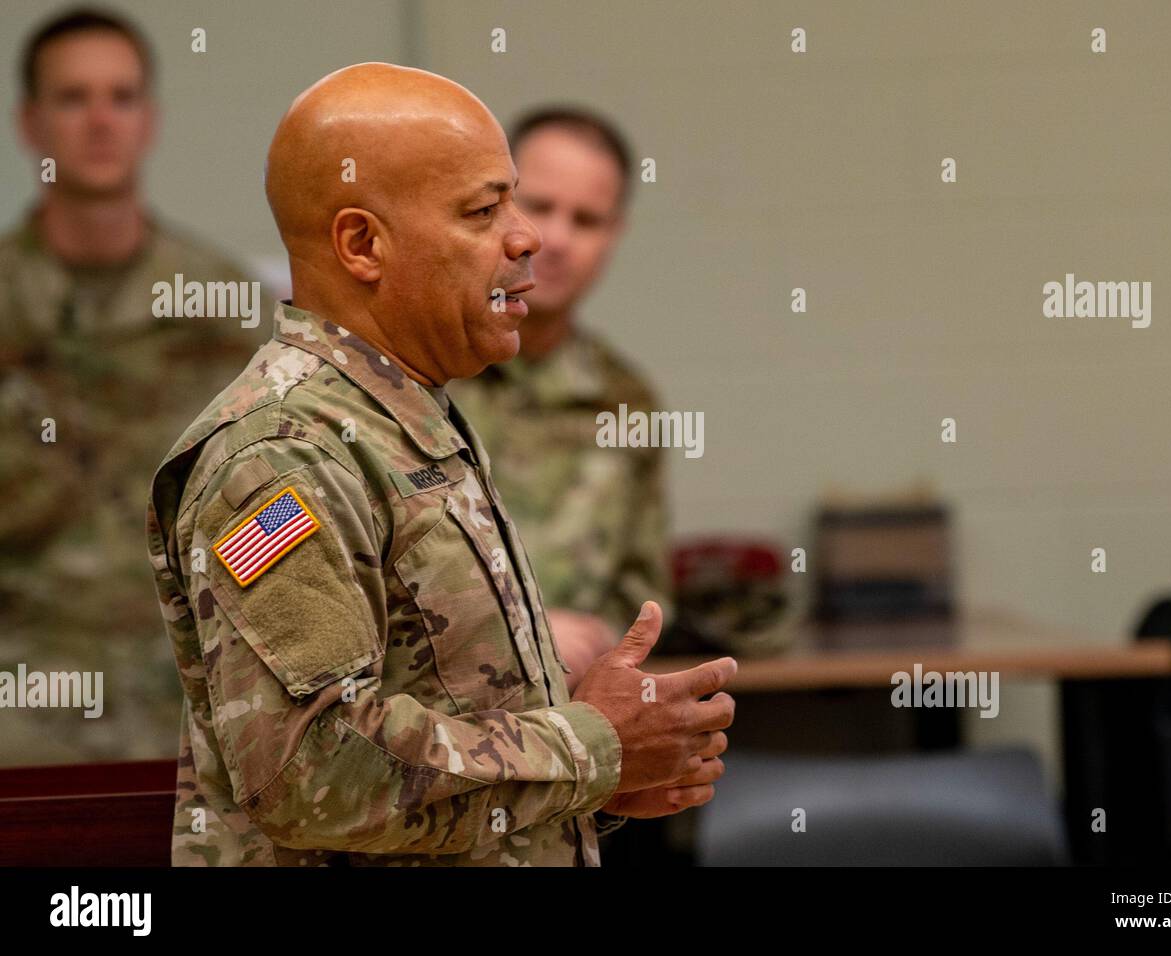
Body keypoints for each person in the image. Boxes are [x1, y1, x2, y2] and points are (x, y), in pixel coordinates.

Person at [146, 62, 736, 866]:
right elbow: (313, 773)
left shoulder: (406, 414)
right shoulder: (283, 456)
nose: (526, 237)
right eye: (485, 209)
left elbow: (447, 718)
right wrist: (590, 746)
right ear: (362, 243)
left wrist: (592, 780)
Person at [0, 8, 268, 765]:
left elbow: (289, 494)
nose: (99, 121)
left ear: (148, 120)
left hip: (190, 682)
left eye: (121, 97)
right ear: (30, 122)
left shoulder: (222, 306)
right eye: (72, 97)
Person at [449, 108, 671, 692]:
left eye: (588, 219)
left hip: (574, 730)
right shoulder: (425, 365)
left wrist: (600, 642)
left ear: (614, 234)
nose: (560, 241)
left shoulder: (626, 401)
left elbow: (643, 590)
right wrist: (523, 634)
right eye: (541, 207)